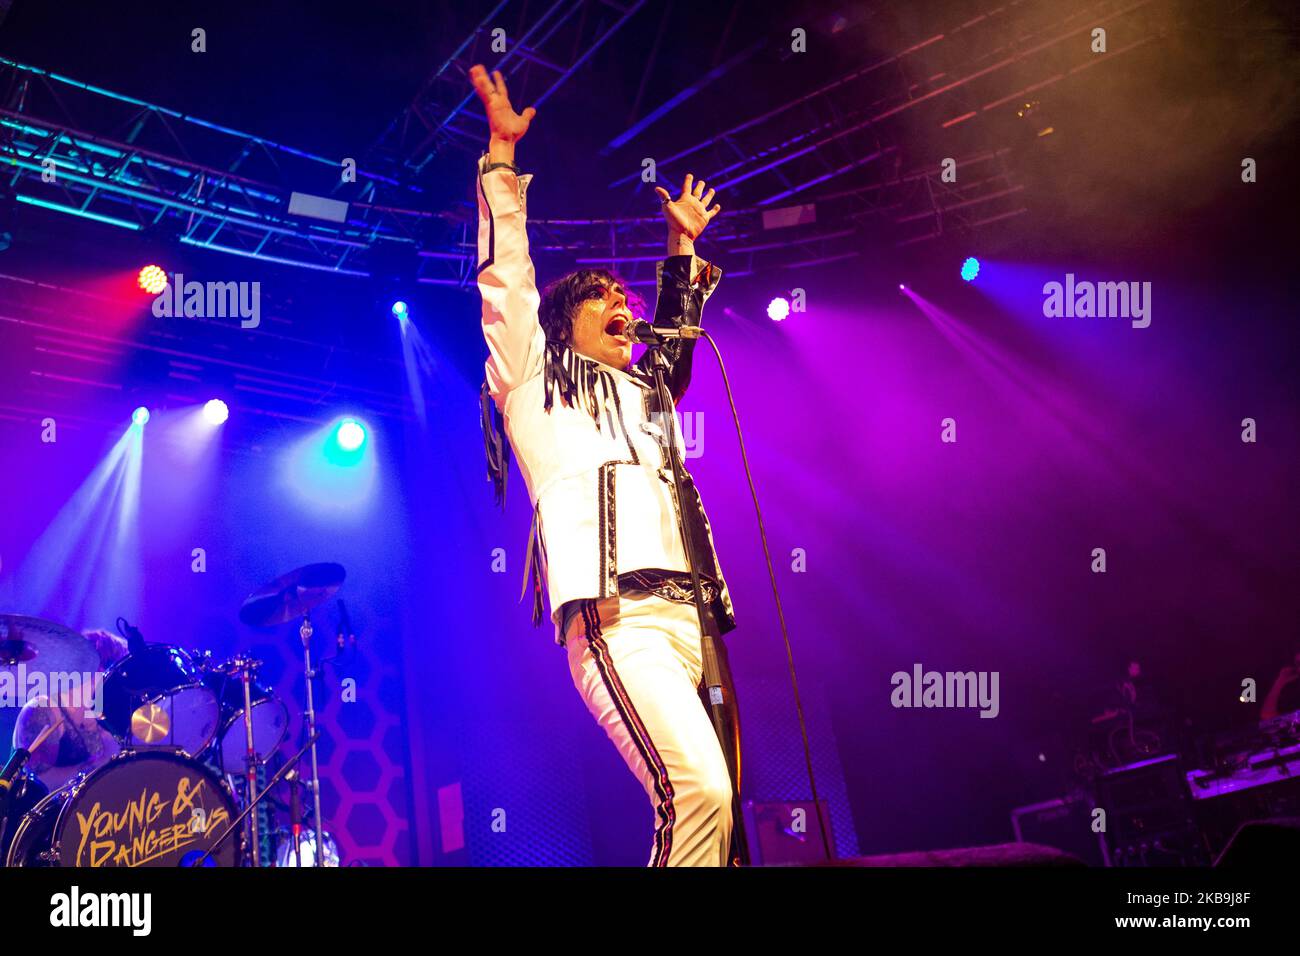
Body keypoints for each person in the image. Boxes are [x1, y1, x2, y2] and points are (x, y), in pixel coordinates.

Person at [470, 64, 739, 866]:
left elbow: (677, 346)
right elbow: (506, 278)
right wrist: (500, 156)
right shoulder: (533, 383)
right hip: (620, 623)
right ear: (563, 330)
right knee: (696, 792)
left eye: (625, 293)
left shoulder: (646, 393)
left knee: (718, 826)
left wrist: (681, 248)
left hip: (694, 622)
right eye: (603, 297)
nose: (622, 303)